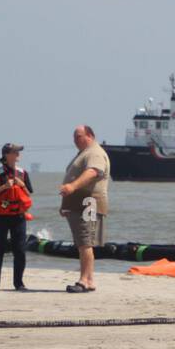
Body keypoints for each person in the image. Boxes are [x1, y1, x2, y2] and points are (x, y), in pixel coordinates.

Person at [59, 124, 110, 293]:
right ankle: (89, 279)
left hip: (88, 203)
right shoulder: (84, 153)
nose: (75, 141)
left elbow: (93, 172)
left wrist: (72, 186)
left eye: (78, 137)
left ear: (89, 135)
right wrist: (65, 204)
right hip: (79, 204)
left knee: (85, 242)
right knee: (83, 243)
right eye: (74, 137)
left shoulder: (94, 152)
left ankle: (84, 280)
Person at [0, 143, 33, 291]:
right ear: (7, 155)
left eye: (18, 152)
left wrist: (22, 185)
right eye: (15, 152)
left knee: (20, 250)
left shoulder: (22, 173)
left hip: (18, 216)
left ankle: (19, 283)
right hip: (0, 216)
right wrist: (4, 187)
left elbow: (29, 194)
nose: (18, 154)